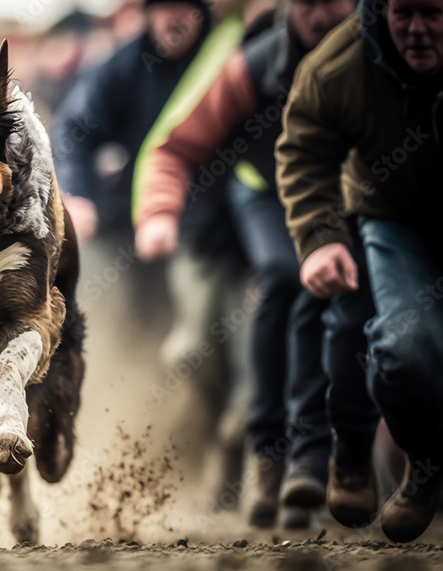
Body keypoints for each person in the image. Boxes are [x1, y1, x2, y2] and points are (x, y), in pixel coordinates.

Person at [136, 0, 358, 528]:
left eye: (334, 3)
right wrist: (158, 213)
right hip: (261, 203)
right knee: (285, 281)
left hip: (353, 204)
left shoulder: (374, 57)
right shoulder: (251, 61)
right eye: (307, 4)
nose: (321, 15)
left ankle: (324, 461)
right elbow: (175, 145)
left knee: (346, 313)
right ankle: (264, 456)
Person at [277, 0, 443, 542]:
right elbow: (303, 151)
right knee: (408, 353)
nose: (416, 30)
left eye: (432, 13)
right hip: (392, 218)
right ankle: (418, 461)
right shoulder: (337, 65)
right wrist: (319, 240)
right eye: (402, 14)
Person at [54, 0, 256, 506]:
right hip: (122, 229)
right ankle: (118, 454)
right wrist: (77, 196)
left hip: (208, 232)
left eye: (184, 5)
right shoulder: (121, 66)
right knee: (105, 332)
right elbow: (75, 133)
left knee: (202, 349)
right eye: (162, 6)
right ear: (146, 13)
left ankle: (220, 452)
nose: (174, 18)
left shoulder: (232, 56)